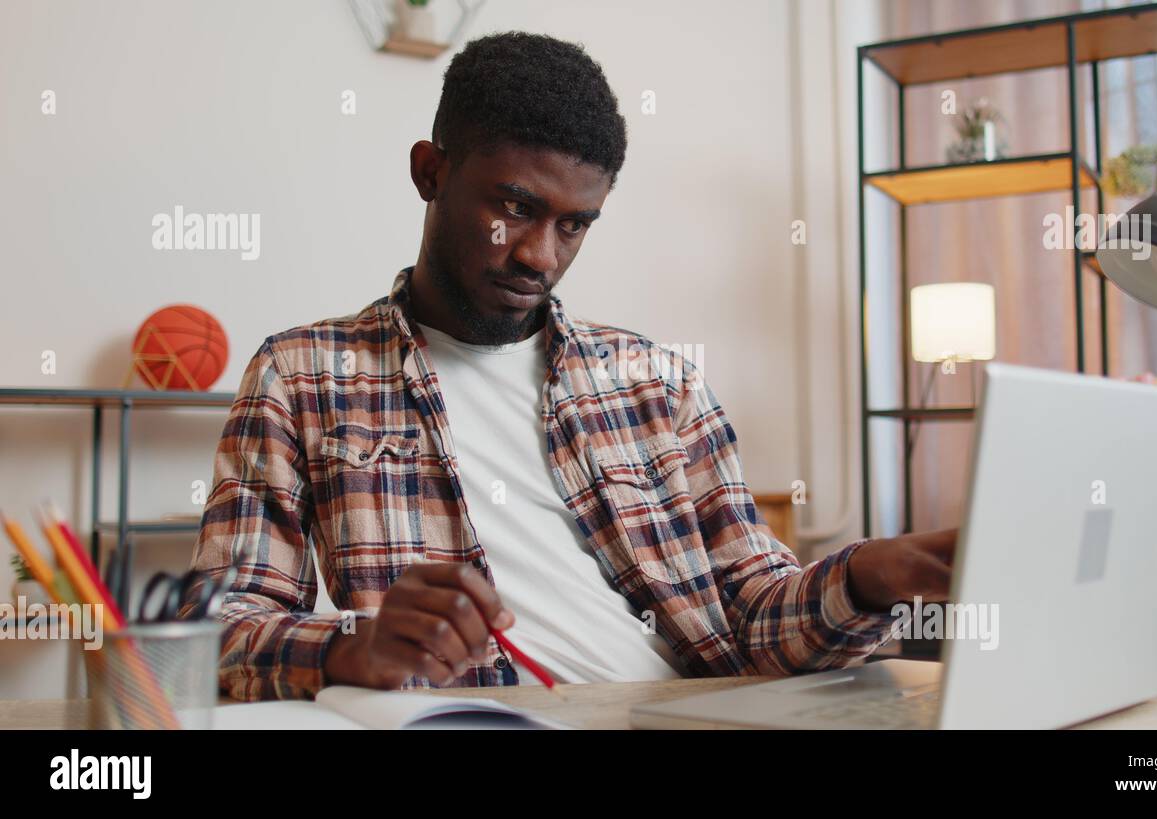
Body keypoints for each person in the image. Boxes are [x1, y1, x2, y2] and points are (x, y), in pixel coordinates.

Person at [184, 31, 956, 701]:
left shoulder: (659, 384)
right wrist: (352, 645)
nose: (540, 256)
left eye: (574, 225)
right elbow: (220, 631)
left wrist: (871, 576)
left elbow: (759, 620)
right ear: (430, 172)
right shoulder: (303, 377)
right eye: (515, 208)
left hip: (696, 712)